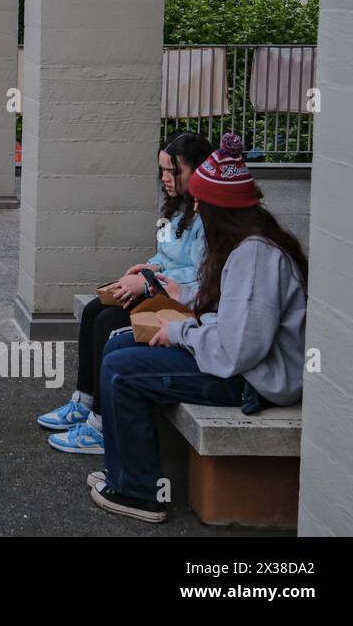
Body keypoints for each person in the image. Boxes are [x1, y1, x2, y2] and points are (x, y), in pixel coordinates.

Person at [90, 134, 308, 524]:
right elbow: (231, 323)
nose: (197, 210)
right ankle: (124, 473)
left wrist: (180, 333)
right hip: (237, 363)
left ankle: (137, 492)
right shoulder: (245, 246)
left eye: (201, 204)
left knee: (122, 370)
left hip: (252, 381)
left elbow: (239, 350)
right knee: (118, 343)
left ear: (218, 210)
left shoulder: (256, 256)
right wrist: (189, 318)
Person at [39, 131, 213, 455]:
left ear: (199, 170)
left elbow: (202, 275)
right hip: (161, 291)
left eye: (173, 171)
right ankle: (86, 401)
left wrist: (149, 283)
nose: (166, 178)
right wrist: (145, 269)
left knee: (109, 324)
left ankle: (102, 427)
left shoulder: (208, 216)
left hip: (186, 305)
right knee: (94, 310)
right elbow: (164, 256)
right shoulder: (175, 209)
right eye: (162, 170)